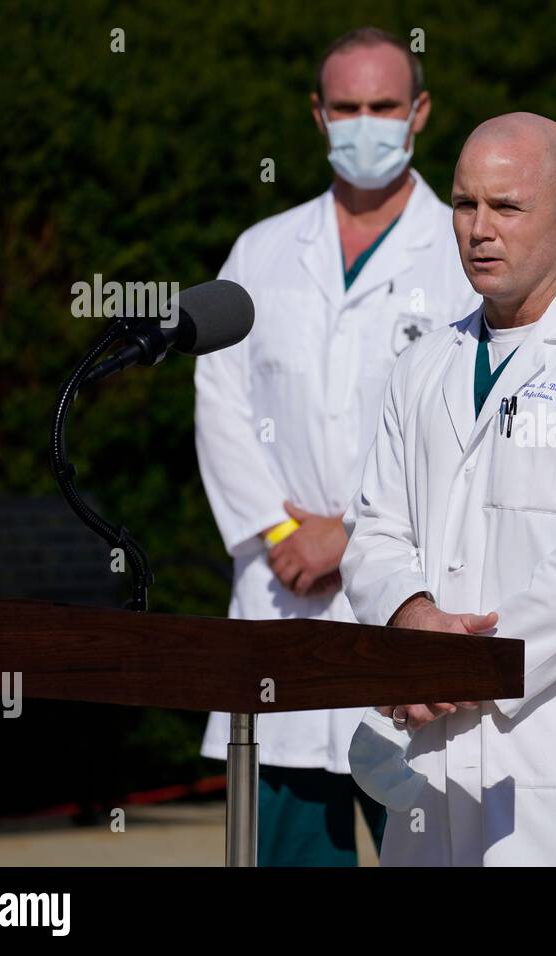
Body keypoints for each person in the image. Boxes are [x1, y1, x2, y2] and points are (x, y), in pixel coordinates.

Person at [341, 112, 556, 866]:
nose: (478, 229)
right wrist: (410, 613)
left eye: (506, 207)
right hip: (432, 746)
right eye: (465, 205)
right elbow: (374, 530)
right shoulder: (424, 365)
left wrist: (462, 668)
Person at [194, 27, 477, 866]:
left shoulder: (464, 254)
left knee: (428, 841)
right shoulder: (262, 249)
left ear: (419, 112)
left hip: (406, 597)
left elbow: (468, 435)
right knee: (283, 844)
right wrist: (280, 534)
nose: (366, 123)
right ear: (318, 117)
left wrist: (351, 540)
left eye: (383, 106)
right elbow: (220, 399)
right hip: (281, 599)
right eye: (347, 107)